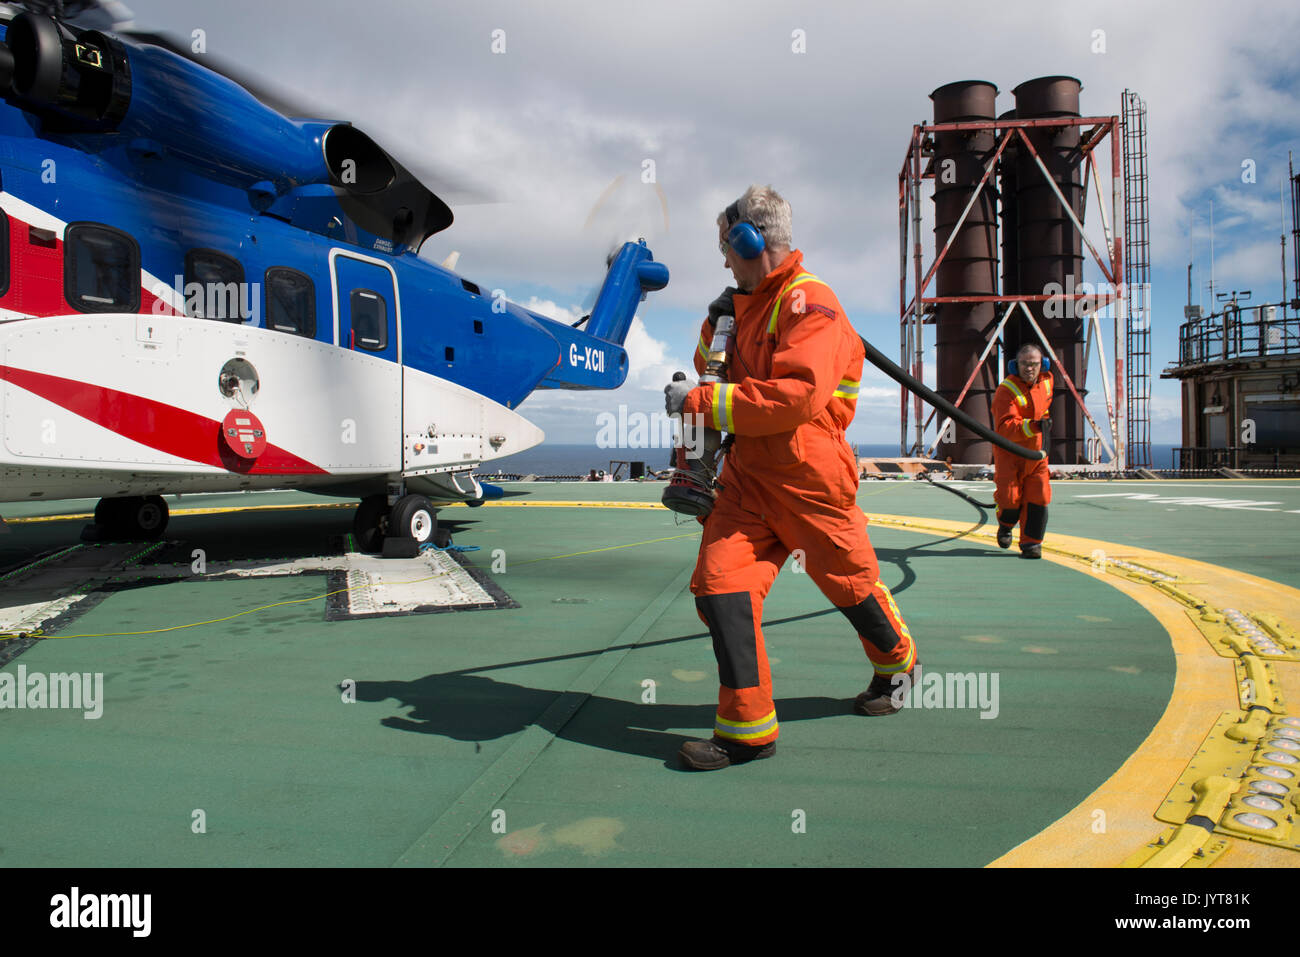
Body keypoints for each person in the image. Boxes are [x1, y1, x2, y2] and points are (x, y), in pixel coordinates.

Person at [663, 185, 918, 771]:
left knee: (850, 585)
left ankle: (897, 664)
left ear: (751, 240)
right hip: (749, 481)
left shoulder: (812, 303)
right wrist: (697, 443)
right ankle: (747, 729)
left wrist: (699, 400)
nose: (723, 259)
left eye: (726, 246)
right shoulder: (730, 315)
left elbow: (796, 396)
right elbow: (713, 385)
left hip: (810, 476)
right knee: (720, 589)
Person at [992, 343, 1053, 558]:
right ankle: (1006, 524)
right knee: (1010, 498)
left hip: (1037, 454)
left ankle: (1031, 544)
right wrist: (1034, 425)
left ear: (1042, 365)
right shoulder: (1006, 390)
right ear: (1015, 365)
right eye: (1025, 364)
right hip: (1010, 453)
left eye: (1034, 364)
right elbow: (1005, 428)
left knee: (1039, 496)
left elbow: (1044, 407)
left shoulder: (1047, 382)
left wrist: (1043, 426)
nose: (1029, 369)